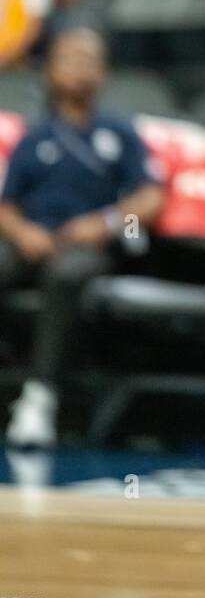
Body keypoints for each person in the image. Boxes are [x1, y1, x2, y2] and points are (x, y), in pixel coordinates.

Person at [0, 28, 165, 448]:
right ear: (51, 70)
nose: (80, 67)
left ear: (105, 72)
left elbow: (150, 197)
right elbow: (7, 204)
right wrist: (22, 232)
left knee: (65, 274)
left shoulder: (120, 132)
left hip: (90, 248)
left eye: (90, 58)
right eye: (70, 57)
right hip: (34, 239)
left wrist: (105, 222)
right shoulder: (35, 136)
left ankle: (39, 399)